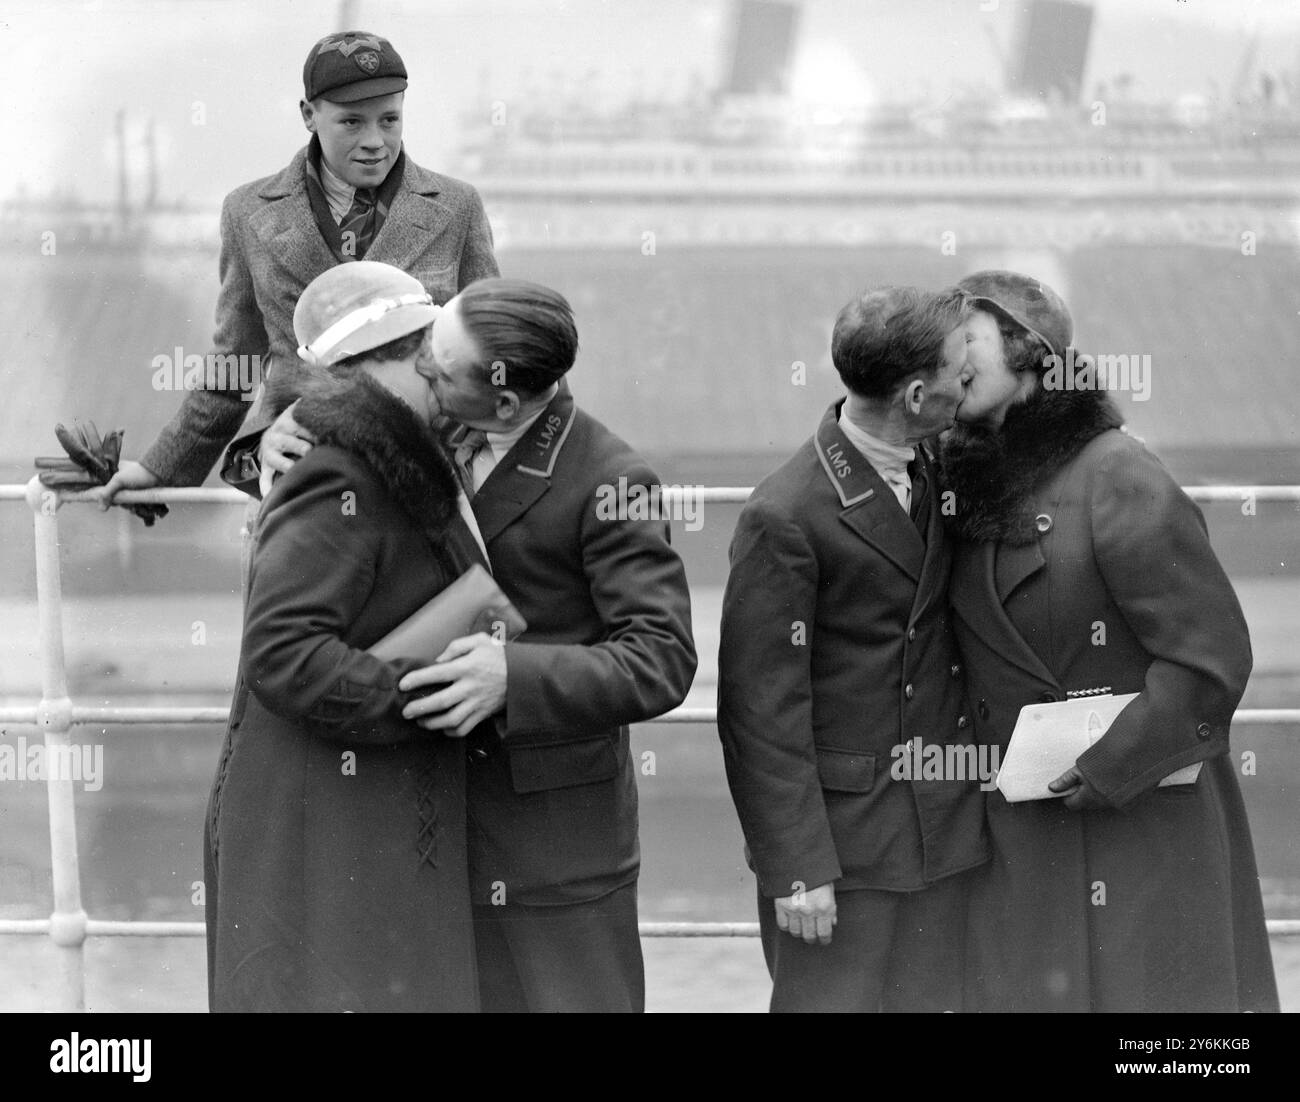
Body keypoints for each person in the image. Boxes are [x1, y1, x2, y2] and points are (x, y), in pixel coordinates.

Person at [258, 277, 697, 1013]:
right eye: (429, 349)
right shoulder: (425, 429)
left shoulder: (612, 480)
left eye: (440, 367)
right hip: (428, 838)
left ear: (503, 402)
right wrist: (273, 429)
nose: (419, 368)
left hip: (553, 856)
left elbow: (662, 658)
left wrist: (514, 678)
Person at [939, 269, 1279, 1012]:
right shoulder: (968, 483)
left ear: (1031, 353)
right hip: (1022, 829)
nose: (949, 359)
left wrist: (1111, 765)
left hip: (1141, 819)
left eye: (968, 339)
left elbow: (1210, 659)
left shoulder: (1120, 475)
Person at [204, 261, 487, 1012]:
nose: (446, 378)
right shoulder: (342, 474)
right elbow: (285, 654)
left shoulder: (395, 454)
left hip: (357, 815)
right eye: (425, 355)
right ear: (389, 361)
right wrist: (430, 692)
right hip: (327, 827)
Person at [716, 286, 990, 1013]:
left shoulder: (938, 462)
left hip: (946, 838)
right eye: (962, 367)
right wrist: (797, 869)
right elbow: (758, 712)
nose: (972, 379)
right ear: (915, 392)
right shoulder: (785, 513)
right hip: (845, 857)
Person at [96, 29, 498, 503]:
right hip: (300, 478)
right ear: (309, 115)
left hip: (431, 480)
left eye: (390, 120)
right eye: (352, 122)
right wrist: (161, 468)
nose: (375, 141)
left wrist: (491, 422)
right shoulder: (247, 213)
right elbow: (236, 364)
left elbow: (498, 341)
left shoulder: (457, 207)